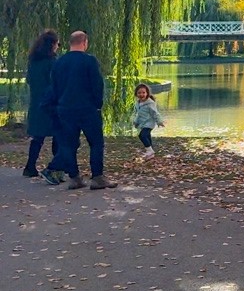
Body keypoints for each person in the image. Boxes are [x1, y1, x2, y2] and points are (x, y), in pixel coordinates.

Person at [44, 31, 117, 190]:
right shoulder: (89, 61)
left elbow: (54, 87)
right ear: (84, 42)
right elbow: (97, 85)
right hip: (87, 109)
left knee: (69, 144)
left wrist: (58, 105)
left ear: (70, 43)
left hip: (65, 109)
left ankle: (75, 178)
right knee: (96, 143)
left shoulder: (59, 62)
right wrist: (98, 104)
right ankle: (97, 177)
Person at [23, 30, 61, 181]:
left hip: (36, 103)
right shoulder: (52, 62)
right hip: (51, 103)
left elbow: (29, 80)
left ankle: (30, 166)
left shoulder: (33, 61)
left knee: (38, 137)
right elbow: (55, 83)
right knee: (57, 135)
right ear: (52, 45)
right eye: (57, 43)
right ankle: (55, 168)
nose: (58, 46)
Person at [132, 83, 164, 159]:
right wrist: (136, 122)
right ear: (136, 94)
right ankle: (151, 153)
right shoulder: (138, 103)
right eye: (139, 93)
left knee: (142, 135)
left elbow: (155, 113)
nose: (141, 94)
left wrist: (159, 121)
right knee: (147, 136)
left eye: (143, 92)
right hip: (142, 123)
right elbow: (138, 114)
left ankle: (149, 151)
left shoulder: (150, 103)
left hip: (149, 123)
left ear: (147, 93)